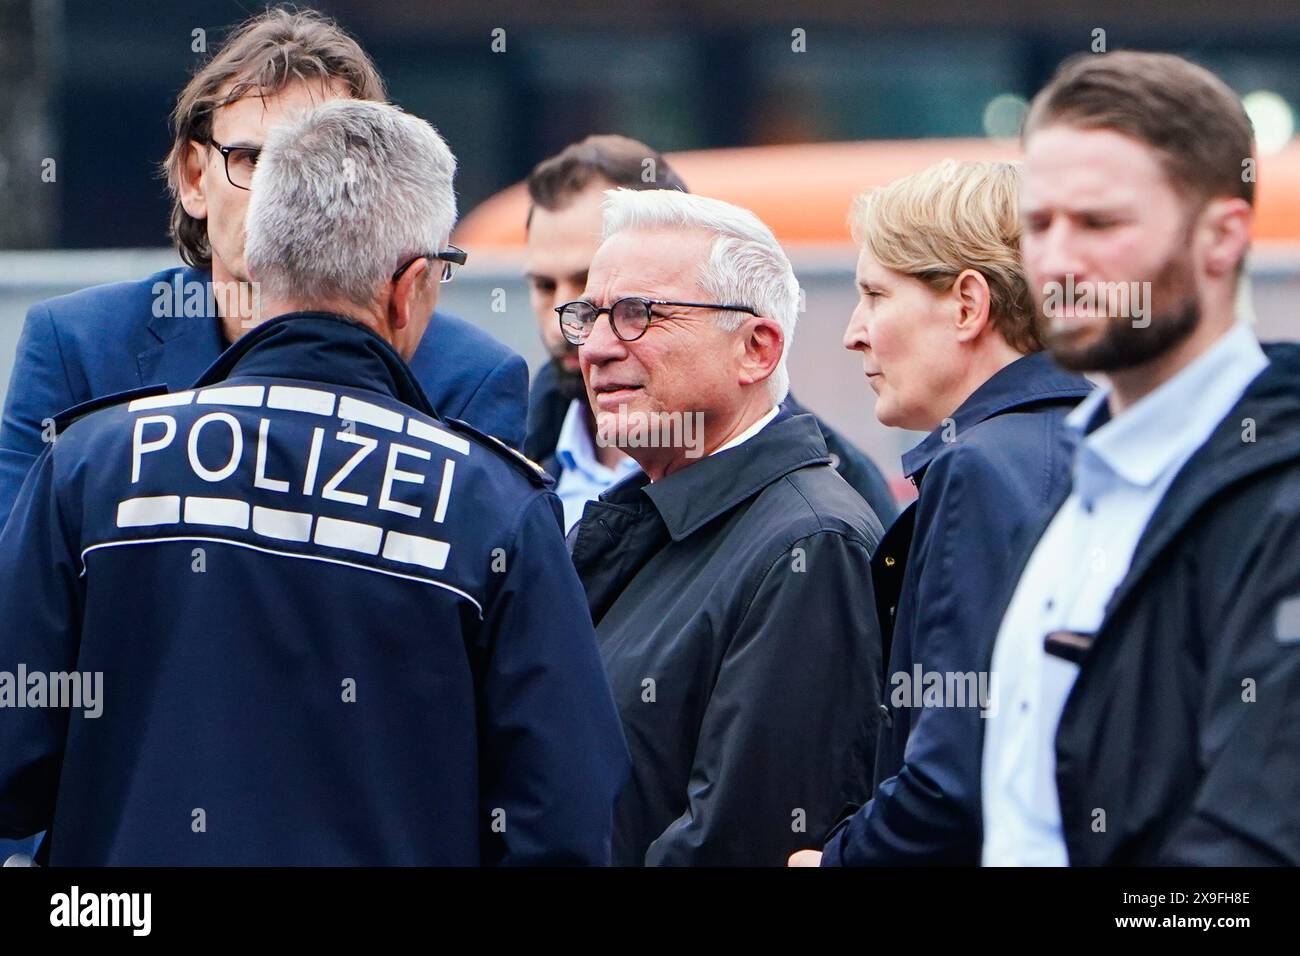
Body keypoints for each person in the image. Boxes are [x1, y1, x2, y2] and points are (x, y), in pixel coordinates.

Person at [0, 99, 628, 866]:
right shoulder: (490, 506)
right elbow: (563, 818)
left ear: (258, 265)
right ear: (411, 285)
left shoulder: (92, 465)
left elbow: (12, 761)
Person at [0, 7, 528, 537]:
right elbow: (23, 584)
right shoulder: (78, 347)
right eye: (253, 159)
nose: (280, 193)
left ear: (374, 183)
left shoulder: (469, 376)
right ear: (193, 177)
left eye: (314, 164)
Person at [980, 51, 1300, 865]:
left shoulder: (1277, 497)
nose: (1055, 261)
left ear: (1222, 236)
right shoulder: (1080, 475)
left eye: (1098, 224)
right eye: (1038, 223)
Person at [567, 189, 884, 865]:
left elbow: (746, 839)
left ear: (756, 349)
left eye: (635, 315)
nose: (593, 349)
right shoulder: (652, 516)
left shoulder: (808, 545)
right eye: (587, 316)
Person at [787, 161, 1091, 866]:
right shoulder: (1105, 442)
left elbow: (955, 774)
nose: (853, 333)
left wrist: (840, 862)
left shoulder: (981, 466)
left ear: (967, 305)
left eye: (874, 295)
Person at [524, 135, 899, 531]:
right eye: (544, 287)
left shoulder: (830, 490)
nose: (561, 324)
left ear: (755, 347)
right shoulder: (506, 448)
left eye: (633, 309)